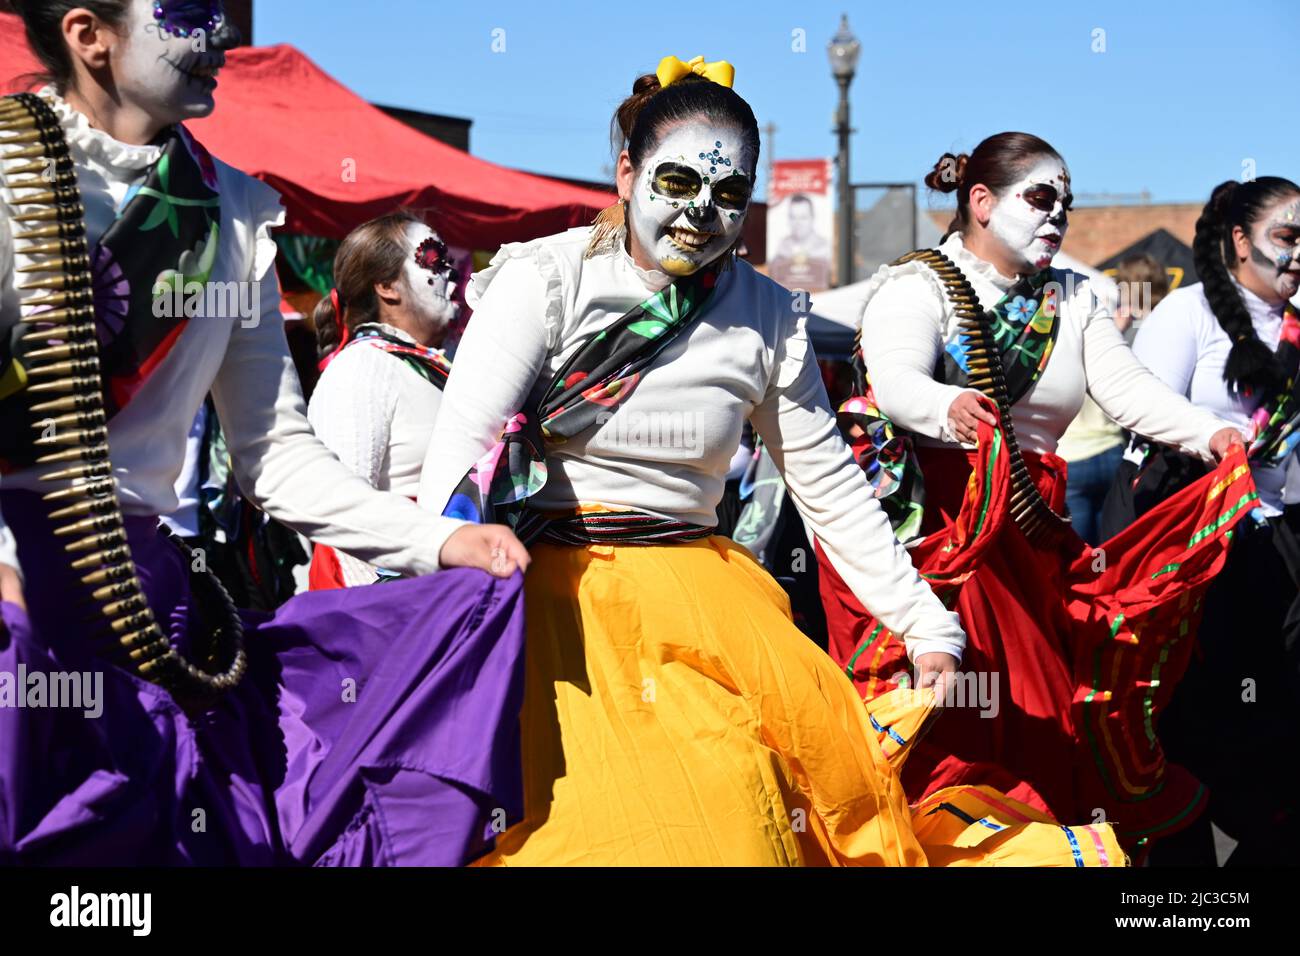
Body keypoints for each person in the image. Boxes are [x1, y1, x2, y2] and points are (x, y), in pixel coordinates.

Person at [416, 58, 1125, 866]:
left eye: (729, 193)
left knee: (751, 809)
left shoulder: (766, 310)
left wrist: (924, 620)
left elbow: (824, 483)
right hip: (553, 604)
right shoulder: (544, 279)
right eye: (678, 180)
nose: (701, 212)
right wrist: (438, 610)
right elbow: (458, 459)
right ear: (625, 173)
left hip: (705, 601)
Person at [0, 0, 529, 866]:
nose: (219, 37)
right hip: (15, 600)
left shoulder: (233, 213)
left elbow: (276, 459)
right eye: (186, 11)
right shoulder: (5, 170)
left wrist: (440, 542)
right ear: (89, 35)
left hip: (139, 610)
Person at [816, 131, 1250, 856]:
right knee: (969, 720)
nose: (1057, 219)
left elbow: (1127, 391)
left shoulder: (1078, 296)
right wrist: (944, 408)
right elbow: (895, 381)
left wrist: (1211, 435)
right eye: (1041, 199)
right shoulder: (916, 284)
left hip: (1033, 541)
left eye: (1066, 206)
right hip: (944, 545)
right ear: (980, 203)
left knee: (1050, 720)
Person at [1129, 177, 1300, 864]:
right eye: (1287, 238)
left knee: (1280, 720)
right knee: (1204, 718)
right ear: (1240, 240)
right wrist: (1215, 439)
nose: (1298, 255)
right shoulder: (1188, 314)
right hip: (1202, 543)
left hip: (1285, 539)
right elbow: (1140, 413)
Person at [306, 211, 458, 588]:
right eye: (432, 260)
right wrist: (383, 610)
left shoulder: (431, 365)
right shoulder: (362, 368)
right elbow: (341, 513)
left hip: (448, 593)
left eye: (448, 261)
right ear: (387, 286)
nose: (448, 273)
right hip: (395, 606)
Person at [1057, 254, 1170, 543]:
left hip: (1074, 455)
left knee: (1078, 559)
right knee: (1113, 551)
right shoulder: (1156, 328)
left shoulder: (1069, 328)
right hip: (1117, 451)